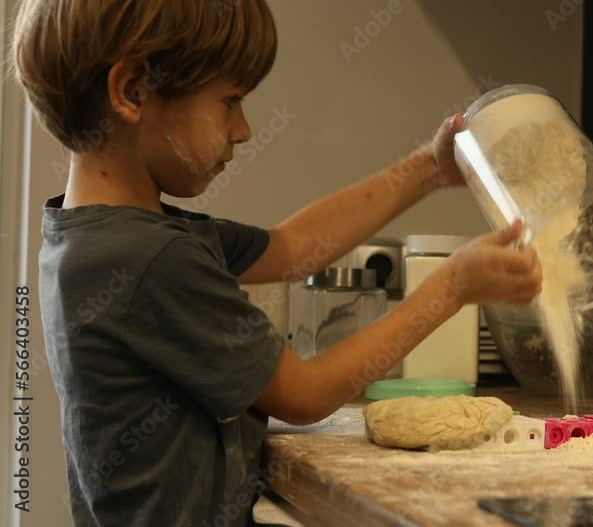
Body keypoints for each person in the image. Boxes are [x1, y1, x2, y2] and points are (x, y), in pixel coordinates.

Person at [11, 1, 542, 524]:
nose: (243, 130)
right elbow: (305, 395)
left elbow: (292, 248)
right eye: (229, 100)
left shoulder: (101, 235)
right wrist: (451, 288)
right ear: (131, 92)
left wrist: (428, 168)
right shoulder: (148, 255)